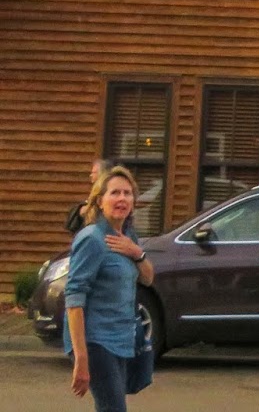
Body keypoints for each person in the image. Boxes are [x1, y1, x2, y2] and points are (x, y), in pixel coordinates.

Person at [64, 165, 155, 411]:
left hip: (121, 339)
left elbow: (147, 278)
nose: (122, 199)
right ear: (99, 200)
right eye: (115, 193)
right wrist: (81, 359)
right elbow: (73, 300)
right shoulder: (92, 239)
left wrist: (137, 254)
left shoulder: (128, 238)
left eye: (127, 193)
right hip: (95, 341)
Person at [64, 159, 113, 234]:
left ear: (101, 173)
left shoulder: (105, 191)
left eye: (93, 173)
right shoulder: (96, 190)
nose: (90, 175)